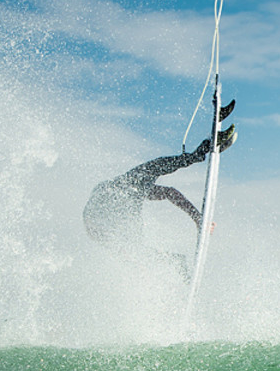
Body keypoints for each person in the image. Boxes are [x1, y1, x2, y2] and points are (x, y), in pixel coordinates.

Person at [83, 104, 235, 278]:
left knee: (166, 165)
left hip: (122, 191)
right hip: (109, 215)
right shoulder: (111, 220)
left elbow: (169, 192)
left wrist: (198, 218)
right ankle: (178, 264)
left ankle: (206, 147)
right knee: (137, 250)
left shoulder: (126, 187)